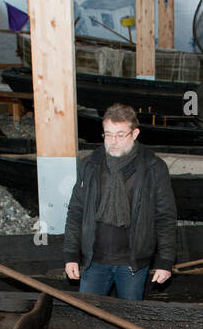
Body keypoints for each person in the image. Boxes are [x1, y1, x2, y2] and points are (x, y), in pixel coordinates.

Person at [63, 103, 176, 300]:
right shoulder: (90, 165)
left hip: (132, 264)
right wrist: (71, 255)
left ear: (135, 133)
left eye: (120, 134)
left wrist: (165, 261)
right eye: (108, 134)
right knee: (87, 319)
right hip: (93, 261)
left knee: (129, 321)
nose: (113, 141)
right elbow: (76, 212)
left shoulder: (153, 167)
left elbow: (165, 217)